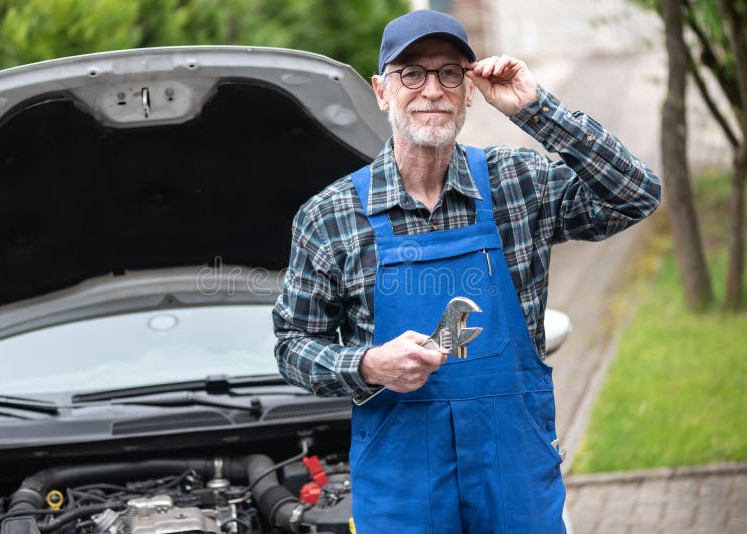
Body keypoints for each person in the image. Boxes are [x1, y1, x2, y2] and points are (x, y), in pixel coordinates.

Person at [273, 9, 660, 534]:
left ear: (469, 89)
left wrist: (536, 110)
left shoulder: (517, 185)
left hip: (516, 481)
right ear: (382, 91)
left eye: (449, 72)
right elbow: (294, 345)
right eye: (411, 73)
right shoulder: (330, 216)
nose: (431, 89)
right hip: (400, 490)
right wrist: (368, 364)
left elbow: (636, 195)